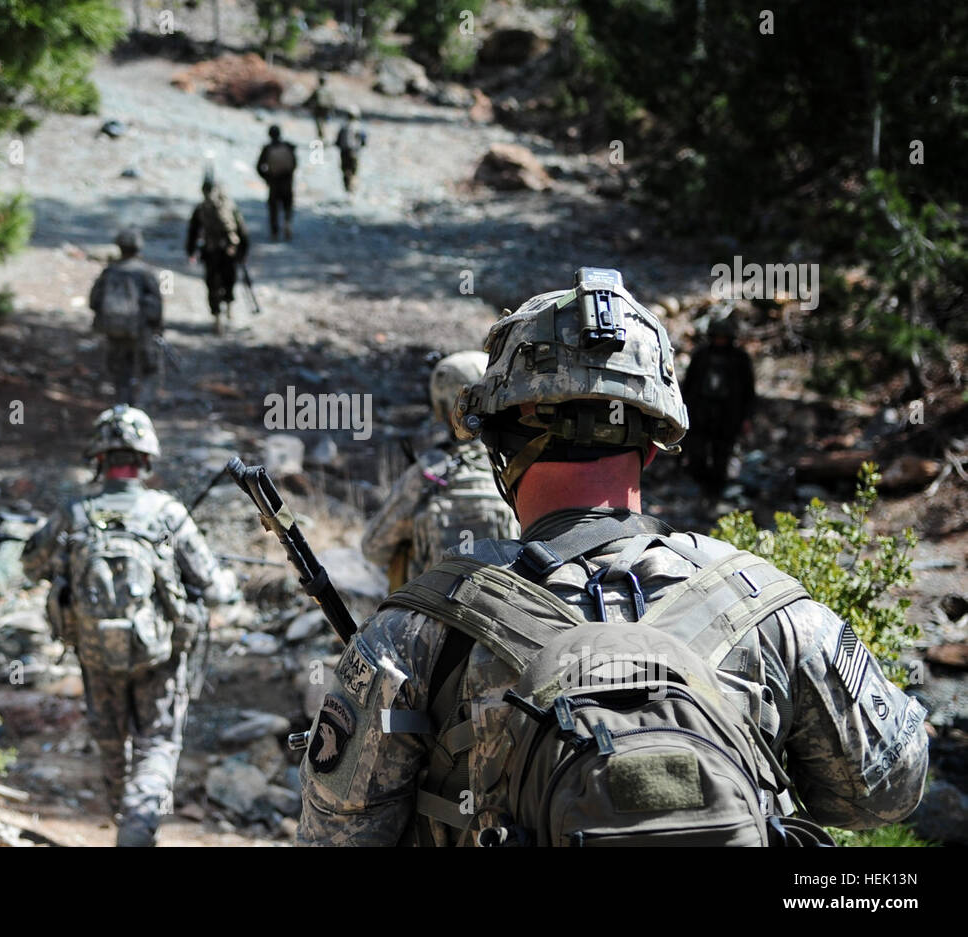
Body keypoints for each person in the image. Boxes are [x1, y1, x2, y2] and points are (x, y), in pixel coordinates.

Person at [297, 267, 927, 847]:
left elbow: (335, 837)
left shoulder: (413, 634)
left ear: (500, 449)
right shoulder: (774, 613)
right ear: (652, 447)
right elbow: (887, 792)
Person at [21, 405, 238, 847]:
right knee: (156, 744)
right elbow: (214, 588)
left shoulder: (75, 512)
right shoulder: (167, 513)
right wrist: (230, 580)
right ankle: (138, 827)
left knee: (110, 740)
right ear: (146, 459)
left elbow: (31, 565)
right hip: (158, 656)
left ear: (98, 458)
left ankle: (126, 814)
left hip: (96, 653)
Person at [362, 351, 517, 592]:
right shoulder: (515, 465)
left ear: (445, 406)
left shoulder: (428, 472)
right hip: (503, 618)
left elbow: (373, 549)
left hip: (431, 620)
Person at [680, 316, 756, 504]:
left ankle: (715, 493)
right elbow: (688, 385)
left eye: (724, 337)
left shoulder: (740, 358)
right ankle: (701, 488)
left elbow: (748, 390)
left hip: (728, 415)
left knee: (722, 455)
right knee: (696, 452)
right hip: (700, 412)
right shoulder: (701, 355)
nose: (720, 341)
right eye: (717, 337)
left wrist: (747, 417)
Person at [88, 229, 163, 405]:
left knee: (120, 372)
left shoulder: (109, 271)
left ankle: (122, 406)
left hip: (113, 330)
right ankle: (140, 408)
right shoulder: (145, 273)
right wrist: (157, 329)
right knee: (148, 370)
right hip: (139, 331)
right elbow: (156, 308)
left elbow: (94, 301)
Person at [185, 179, 250, 335]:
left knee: (212, 284)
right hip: (229, 252)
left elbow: (193, 233)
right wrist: (242, 252)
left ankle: (217, 317)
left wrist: (191, 251)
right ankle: (228, 307)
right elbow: (242, 231)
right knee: (229, 280)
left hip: (210, 251)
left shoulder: (201, 208)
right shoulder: (230, 206)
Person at [256, 125, 297, 241]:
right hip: (287, 183)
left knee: (273, 209)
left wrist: (267, 177)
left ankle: (275, 232)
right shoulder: (288, 146)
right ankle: (287, 223)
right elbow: (294, 164)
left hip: (274, 183)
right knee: (287, 206)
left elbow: (259, 167)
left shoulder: (267, 148)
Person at [335, 106, 367, 195]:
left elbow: (337, 140)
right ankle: (352, 186)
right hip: (355, 152)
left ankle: (348, 186)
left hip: (344, 151)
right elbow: (364, 140)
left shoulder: (344, 126)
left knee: (345, 169)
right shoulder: (359, 127)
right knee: (353, 170)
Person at [304, 74, 335, 144]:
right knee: (323, 124)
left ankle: (322, 138)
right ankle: (323, 139)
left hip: (319, 110)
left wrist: (304, 104)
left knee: (319, 124)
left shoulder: (318, 90)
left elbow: (310, 99)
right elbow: (332, 102)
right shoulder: (328, 90)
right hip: (326, 110)